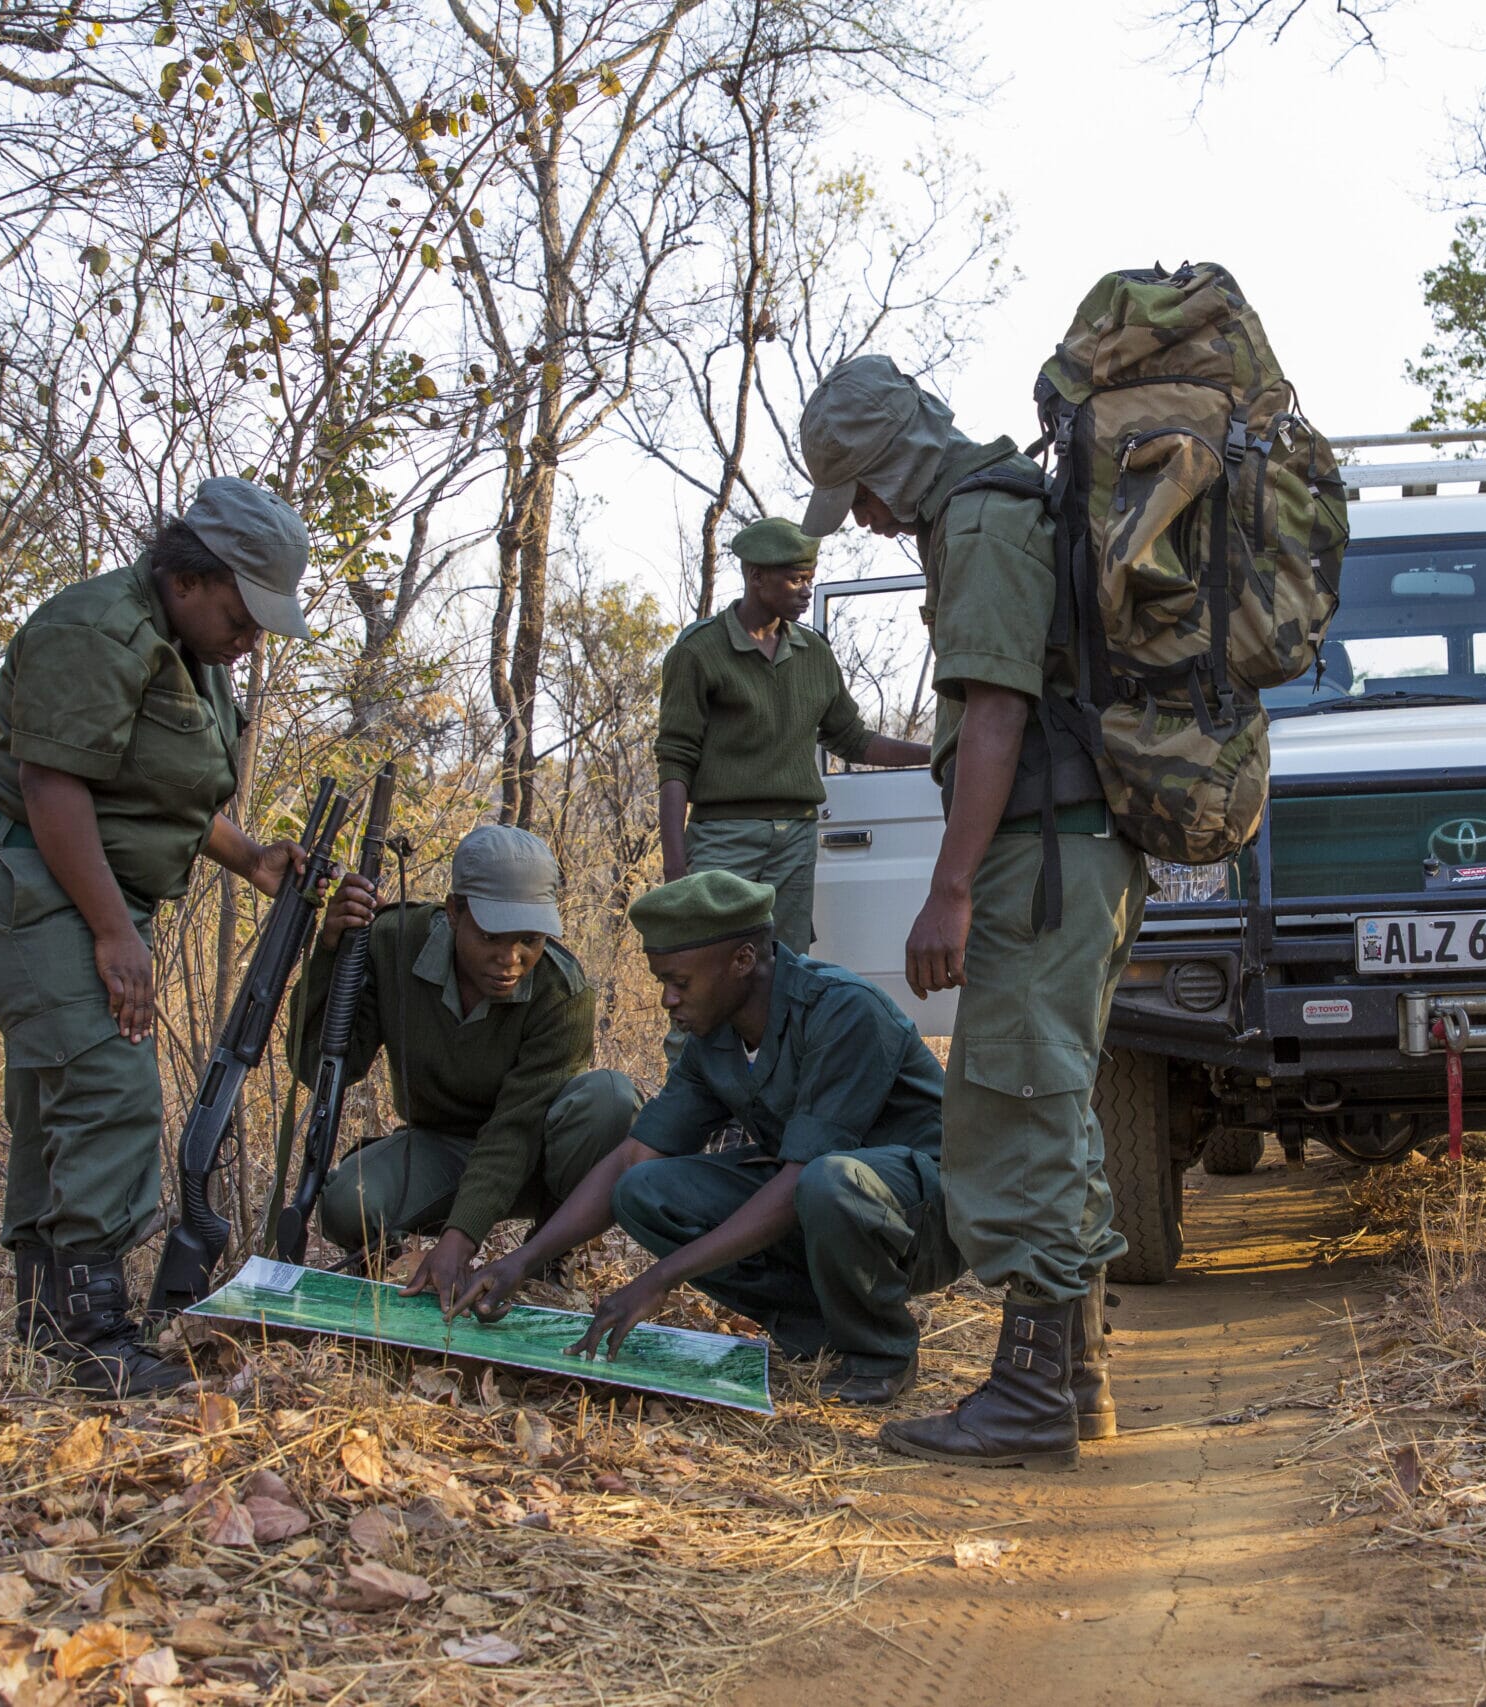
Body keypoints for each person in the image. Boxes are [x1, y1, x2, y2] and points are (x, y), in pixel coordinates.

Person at [795, 354, 1146, 1468]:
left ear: (896, 462)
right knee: (1055, 1101)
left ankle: (1029, 1398)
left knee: (1014, 1103)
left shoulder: (984, 525)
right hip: (1066, 853)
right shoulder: (992, 510)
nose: (862, 515)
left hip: (1039, 858)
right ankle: (1075, 1374)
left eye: (859, 488)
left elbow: (994, 711)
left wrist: (949, 887)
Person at [0, 478, 318, 1398]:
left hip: (65, 883)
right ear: (188, 577)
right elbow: (54, 786)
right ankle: (90, 1339)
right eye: (242, 611)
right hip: (17, 874)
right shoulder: (98, 628)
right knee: (108, 1078)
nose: (252, 636)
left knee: (57, 1091)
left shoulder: (193, 651)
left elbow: (159, 793)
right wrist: (113, 931)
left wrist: (253, 858)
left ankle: (46, 1330)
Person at [442, 871, 961, 1406]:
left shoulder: (844, 1009)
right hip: (819, 1199)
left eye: (679, 982)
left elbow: (807, 1173)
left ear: (741, 961)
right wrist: (522, 1260)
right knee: (644, 1192)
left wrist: (660, 1277)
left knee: (829, 1180)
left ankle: (880, 1351)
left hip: (927, 1218)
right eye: (662, 981)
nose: (667, 999)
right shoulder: (716, 1035)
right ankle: (821, 1330)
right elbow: (632, 1159)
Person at [302, 824, 644, 1297]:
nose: (511, 958)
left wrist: (458, 1240)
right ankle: (402, 1265)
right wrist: (329, 952)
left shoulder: (561, 992)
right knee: (346, 1203)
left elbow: (518, 1128)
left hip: (533, 1159)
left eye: (530, 939)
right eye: (491, 936)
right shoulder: (394, 941)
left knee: (609, 1098)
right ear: (454, 911)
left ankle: (547, 1259)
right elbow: (323, 1065)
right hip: (438, 1147)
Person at [655, 516, 930, 955]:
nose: (806, 590)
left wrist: (935, 754)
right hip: (723, 836)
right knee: (711, 965)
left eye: (810, 579)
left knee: (784, 967)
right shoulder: (697, 652)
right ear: (756, 576)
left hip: (795, 837)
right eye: (795, 579)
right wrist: (674, 865)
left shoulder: (814, 652)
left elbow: (852, 738)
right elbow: (675, 759)